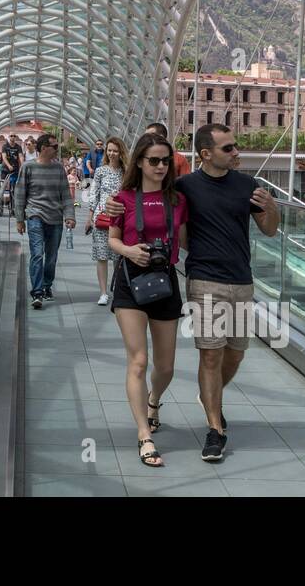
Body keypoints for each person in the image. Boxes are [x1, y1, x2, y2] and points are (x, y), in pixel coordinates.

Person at [109, 123, 278, 462]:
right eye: (228, 148)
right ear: (206, 153)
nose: (236, 152)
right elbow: (136, 220)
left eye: (165, 162)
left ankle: (206, 397)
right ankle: (213, 429)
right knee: (206, 356)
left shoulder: (245, 186)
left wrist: (271, 205)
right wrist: (119, 223)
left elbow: (270, 229)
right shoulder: (184, 188)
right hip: (202, 281)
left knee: (235, 353)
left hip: (241, 280)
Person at [107, 133, 188, 468]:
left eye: (165, 161)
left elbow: (185, 241)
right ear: (139, 161)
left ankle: (154, 400)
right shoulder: (122, 199)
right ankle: (144, 435)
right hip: (130, 281)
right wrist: (129, 250)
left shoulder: (178, 200)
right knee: (138, 360)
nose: (160, 166)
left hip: (165, 280)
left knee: (166, 366)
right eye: (153, 160)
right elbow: (112, 240)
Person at [14, 133, 75, 309]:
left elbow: (65, 195)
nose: (57, 149)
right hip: (35, 216)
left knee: (51, 257)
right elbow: (20, 194)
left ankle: (47, 285)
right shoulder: (28, 167)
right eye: (54, 147)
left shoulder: (59, 169)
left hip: (55, 218)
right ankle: (37, 291)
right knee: (37, 253)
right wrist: (20, 219)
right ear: (43, 148)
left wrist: (70, 216)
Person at [86, 137, 126, 306]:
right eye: (109, 150)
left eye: (115, 150)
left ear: (121, 152)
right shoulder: (101, 171)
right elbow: (94, 194)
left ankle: (117, 289)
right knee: (101, 256)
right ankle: (103, 292)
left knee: (118, 256)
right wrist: (90, 217)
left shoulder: (127, 172)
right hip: (101, 217)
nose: (111, 153)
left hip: (120, 218)